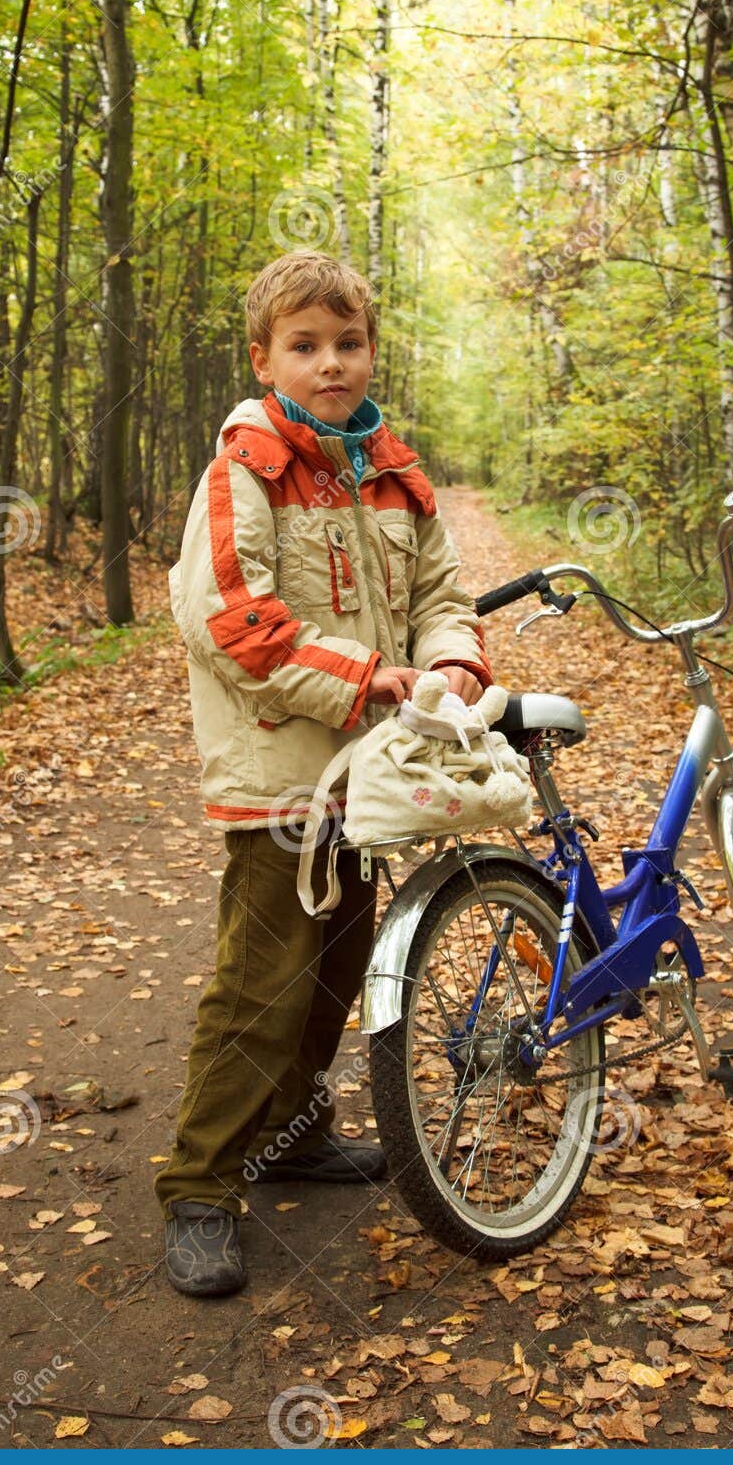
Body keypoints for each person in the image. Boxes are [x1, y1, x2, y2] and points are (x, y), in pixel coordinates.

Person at [155, 249, 493, 1296]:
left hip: (370, 774)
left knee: (340, 964)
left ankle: (292, 1132)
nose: (330, 364)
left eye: (347, 344)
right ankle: (201, 1186)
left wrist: (446, 659)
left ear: (370, 350)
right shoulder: (247, 466)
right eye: (304, 346)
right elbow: (227, 616)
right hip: (282, 770)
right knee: (262, 979)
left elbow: (440, 591)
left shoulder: (391, 467)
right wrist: (364, 675)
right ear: (266, 359)